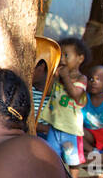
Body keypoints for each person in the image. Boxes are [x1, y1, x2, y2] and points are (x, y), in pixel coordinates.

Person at [37, 36, 89, 170]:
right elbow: (47, 92)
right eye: (61, 56)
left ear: (80, 59)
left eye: (66, 55)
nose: (63, 60)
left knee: (73, 158)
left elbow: (76, 94)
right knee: (52, 155)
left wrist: (65, 77)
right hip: (54, 124)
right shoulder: (59, 78)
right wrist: (53, 78)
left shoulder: (81, 78)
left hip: (70, 127)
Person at [82, 65, 103, 157]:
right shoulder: (83, 99)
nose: (94, 82)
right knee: (76, 131)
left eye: (98, 79)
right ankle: (95, 152)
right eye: (91, 79)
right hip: (90, 136)